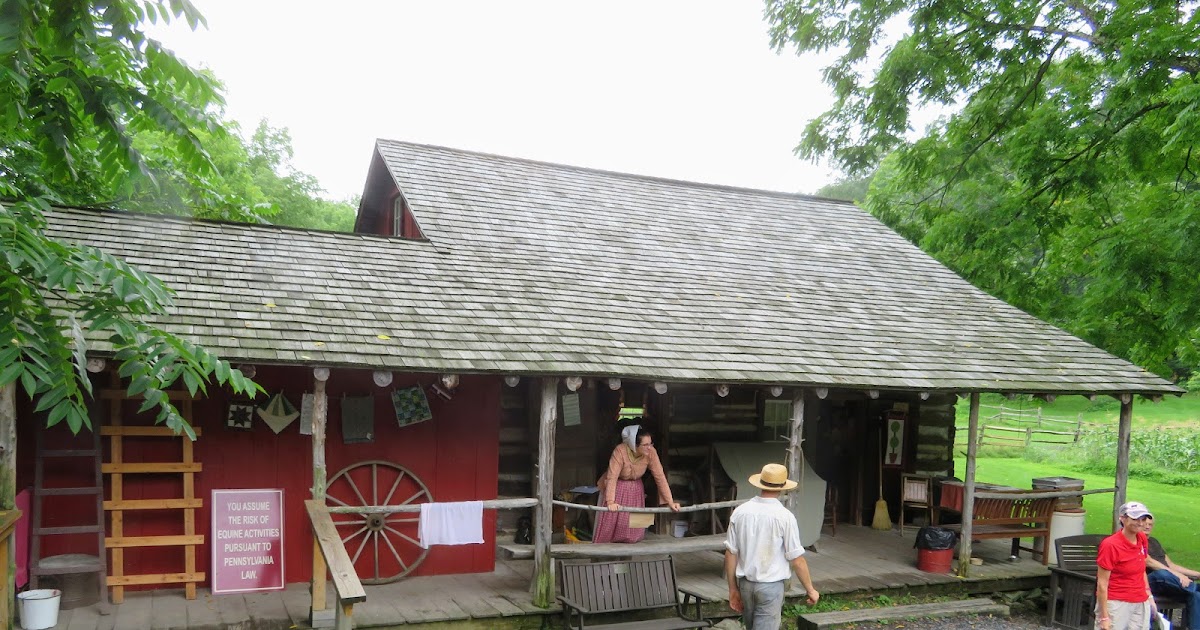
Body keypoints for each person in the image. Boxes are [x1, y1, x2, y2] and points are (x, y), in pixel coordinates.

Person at [724, 462, 819, 630]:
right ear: (782, 487)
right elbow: (797, 560)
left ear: (760, 483)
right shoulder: (785, 517)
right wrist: (810, 589)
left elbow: (731, 553)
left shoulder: (740, 512)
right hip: (771, 586)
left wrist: (732, 588)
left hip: (746, 585)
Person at [592, 422, 680, 544]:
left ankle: (630, 554)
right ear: (635, 445)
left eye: (651, 444)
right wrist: (610, 502)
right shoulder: (620, 451)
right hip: (616, 489)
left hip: (636, 490)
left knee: (634, 532)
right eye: (645, 445)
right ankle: (604, 553)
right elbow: (612, 477)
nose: (649, 447)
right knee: (610, 525)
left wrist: (670, 501)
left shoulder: (651, 452)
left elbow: (660, 476)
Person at [1096, 501, 1154, 630]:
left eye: (1143, 519)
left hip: (1140, 601)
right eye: (1135, 518)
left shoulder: (1142, 538)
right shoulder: (1110, 545)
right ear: (1122, 518)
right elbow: (1102, 584)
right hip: (1116, 602)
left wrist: (1149, 596)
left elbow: (1141, 569)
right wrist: (1104, 617)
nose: (1140, 523)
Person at [1144, 515, 1200, 630]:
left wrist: (1197, 574)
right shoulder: (1137, 541)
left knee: (1195, 595)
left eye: (1150, 524)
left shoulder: (1154, 542)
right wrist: (1178, 575)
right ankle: (1195, 587)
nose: (1147, 526)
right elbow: (1149, 562)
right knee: (1162, 573)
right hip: (1149, 581)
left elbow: (1171, 565)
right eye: (1145, 524)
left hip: (1168, 582)